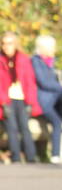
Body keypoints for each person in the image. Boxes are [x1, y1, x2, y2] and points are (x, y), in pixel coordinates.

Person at [0, 30, 42, 163]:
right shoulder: (1, 60)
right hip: (6, 99)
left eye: (10, 43)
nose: (6, 46)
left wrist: (31, 102)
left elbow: (30, 82)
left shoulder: (23, 59)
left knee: (25, 126)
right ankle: (16, 156)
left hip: (22, 98)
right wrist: (3, 103)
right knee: (11, 127)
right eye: (4, 44)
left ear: (15, 44)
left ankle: (31, 156)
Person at [31, 34, 62, 164]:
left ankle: (61, 120)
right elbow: (43, 82)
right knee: (57, 123)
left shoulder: (50, 62)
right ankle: (55, 155)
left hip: (54, 99)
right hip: (44, 101)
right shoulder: (36, 61)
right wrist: (61, 88)